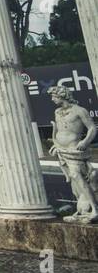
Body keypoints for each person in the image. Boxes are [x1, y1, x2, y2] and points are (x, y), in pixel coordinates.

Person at [49, 85, 98, 224]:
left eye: (54, 96)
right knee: (74, 182)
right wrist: (55, 144)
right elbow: (59, 131)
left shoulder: (79, 111)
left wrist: (85, 142)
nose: (52, 99)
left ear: (62, 96)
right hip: (61, 150)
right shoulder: (57, 112)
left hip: (75, 150)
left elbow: (92, 128)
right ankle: (83, 210)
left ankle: (95, 209)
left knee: (77, 175)